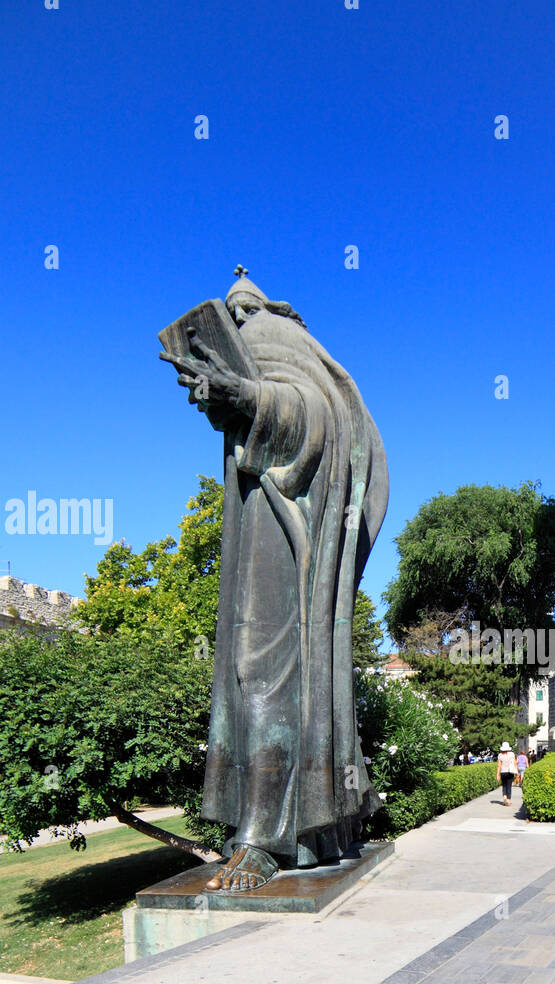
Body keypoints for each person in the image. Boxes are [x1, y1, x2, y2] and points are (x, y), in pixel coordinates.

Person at [160, 270, 387, 891]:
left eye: (240, 310)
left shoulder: (269, 332)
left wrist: (246, 397)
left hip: (283, 515)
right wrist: (224, 396)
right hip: (263, 507)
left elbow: (314, 415)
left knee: (258, 666)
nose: (237, 320)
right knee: (258, 670)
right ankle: (312, 830)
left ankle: (263, 838)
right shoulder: (274, 334)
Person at [496, 742, 517, 806]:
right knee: (509, 786)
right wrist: (516, 772)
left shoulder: (500, 755)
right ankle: (508, 800)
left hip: (503, 772)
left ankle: (504, 797)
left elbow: (499, 766)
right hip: (510, 772)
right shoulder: (512, 754)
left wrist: (497, 775)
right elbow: (514, 763)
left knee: (504, 785)